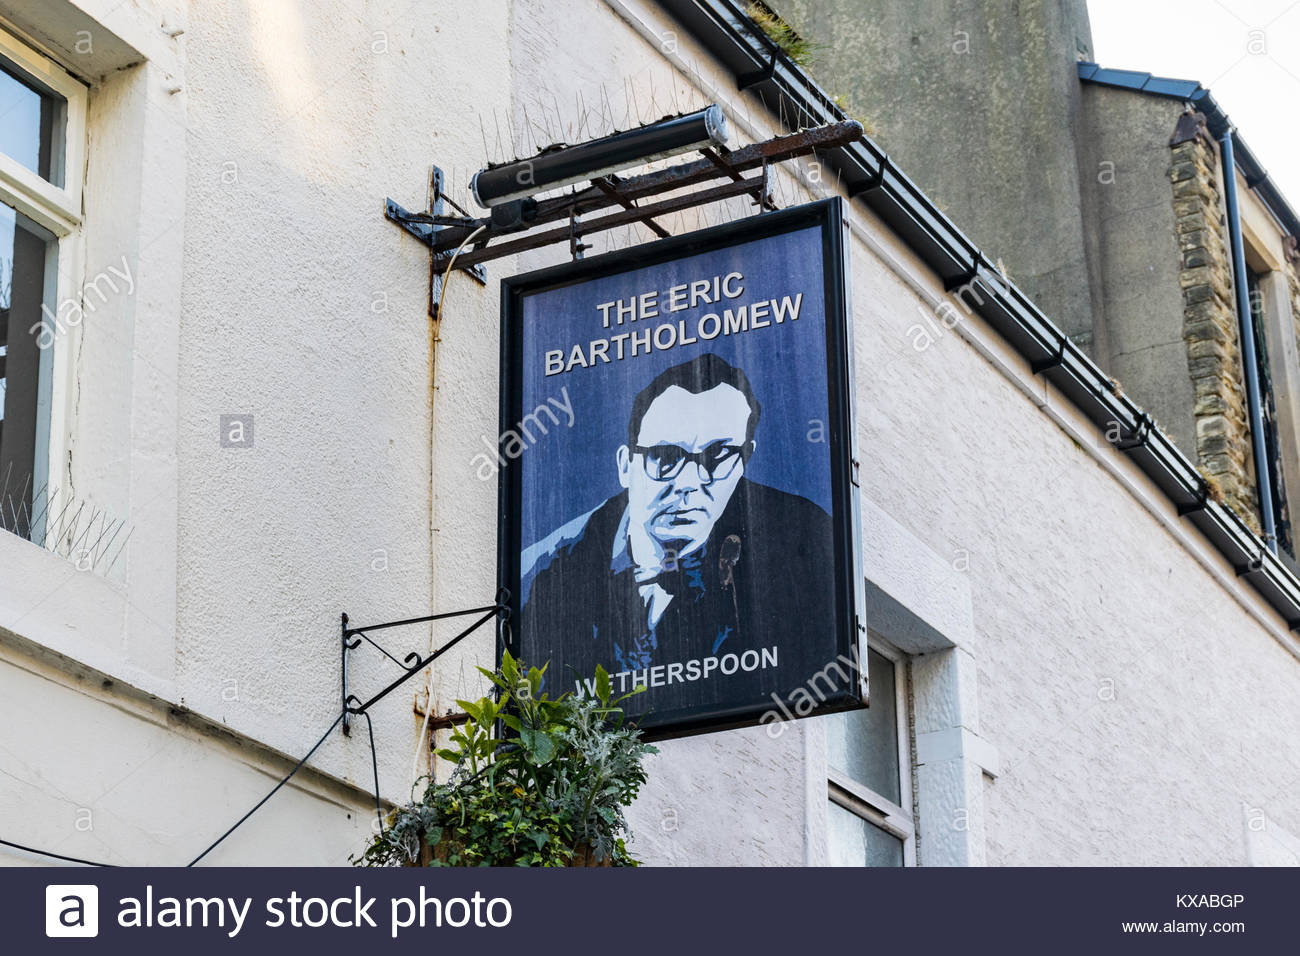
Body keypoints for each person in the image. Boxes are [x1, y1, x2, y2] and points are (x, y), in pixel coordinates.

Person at [520, 353, 834, 712]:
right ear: (626, 466)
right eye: (666, 457)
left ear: (745, 460)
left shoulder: (805, 547)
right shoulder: (540, 575)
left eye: (718, 457)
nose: (690, 483)